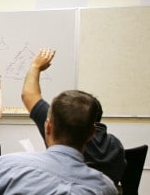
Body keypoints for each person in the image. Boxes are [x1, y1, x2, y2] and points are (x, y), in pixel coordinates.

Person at [21, 47, 125, 184]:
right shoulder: (115, 144)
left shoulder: (61, 128)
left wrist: (35, 66)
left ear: (49, 127)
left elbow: (29, 95)